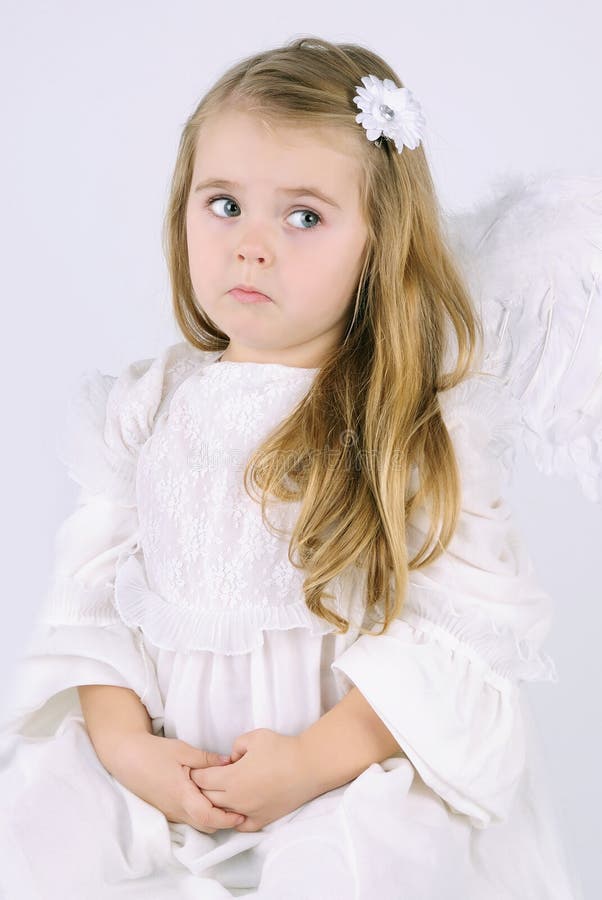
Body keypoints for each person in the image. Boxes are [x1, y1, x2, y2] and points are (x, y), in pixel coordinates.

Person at [0, 35, 583, 899]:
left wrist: (312, 760)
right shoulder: (144, 409)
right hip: (168, 760)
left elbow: (457, 632)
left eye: (304, 216)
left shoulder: (413, 421)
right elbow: (88, 605)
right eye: (224, 204)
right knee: (36, 820)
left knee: (351, 864)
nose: (252, 245)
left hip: (345, 766)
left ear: (377, 246)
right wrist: (130, 750)